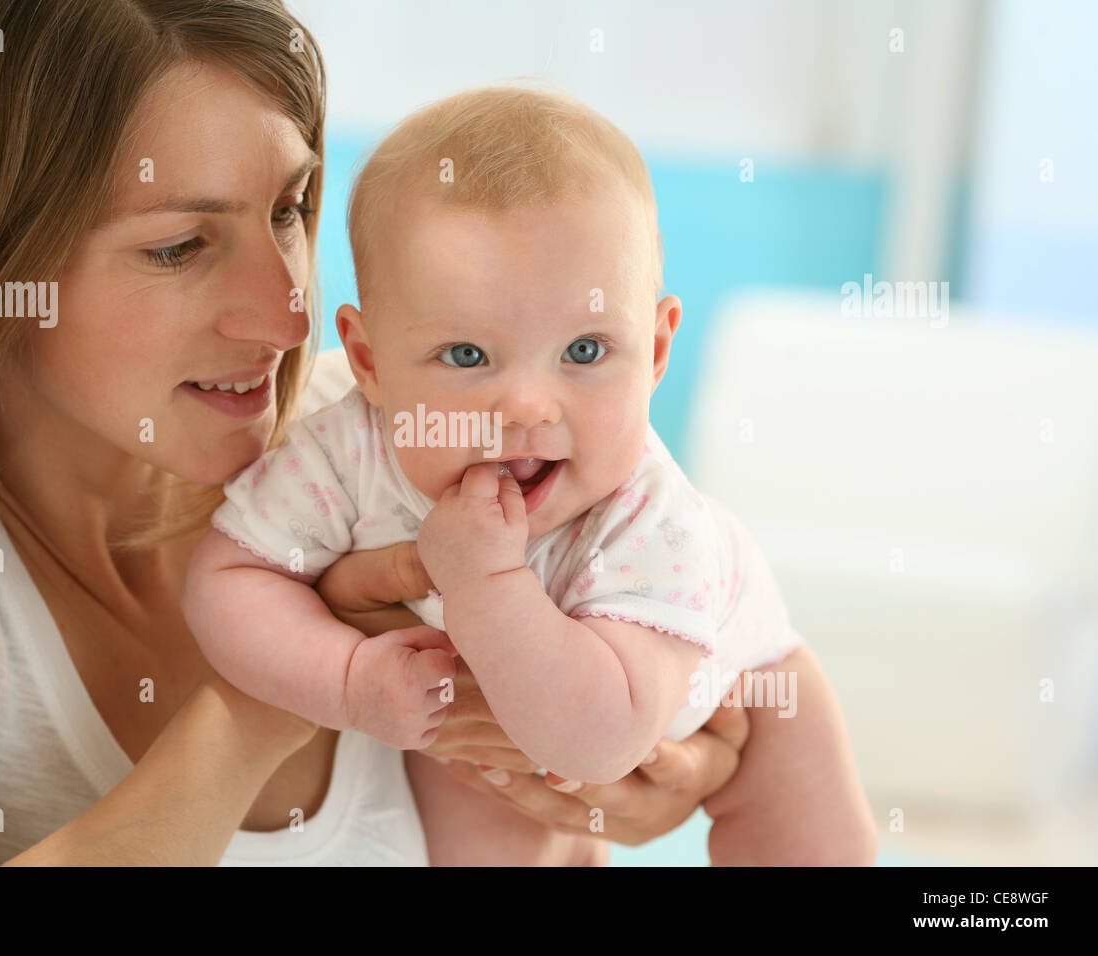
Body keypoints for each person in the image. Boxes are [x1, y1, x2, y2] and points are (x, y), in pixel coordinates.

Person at [0, 0, 825, 866]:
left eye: (289, 209)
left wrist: (637, 773)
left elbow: (684, 706)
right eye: (179, 246)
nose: (288, 313)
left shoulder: (391, 433)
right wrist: (266, 699)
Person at [183, 85, 877, 865]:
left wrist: (484, 583)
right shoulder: (348, 450)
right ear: (371, 363)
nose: (528, 407)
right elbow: (230, 576)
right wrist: (347, 678)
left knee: (811, 841)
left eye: (584, 351)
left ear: (653, 352)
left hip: (716, 670)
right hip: (502, 699)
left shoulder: (654, 519)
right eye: (467, 356)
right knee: (478, 819)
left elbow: (602, 740)